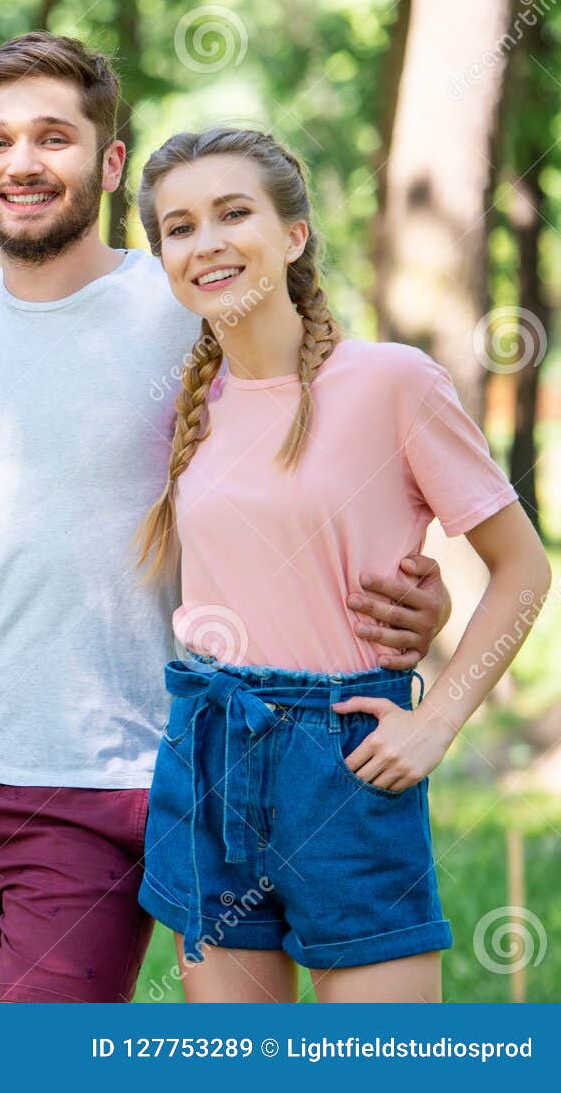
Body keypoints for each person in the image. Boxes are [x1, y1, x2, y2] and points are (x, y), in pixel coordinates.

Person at [0, 32, 453, 1002]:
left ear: (109, 164)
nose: (22, 163)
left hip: (109, 765)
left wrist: (408, 587)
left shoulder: (189, 294)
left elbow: (317, 433)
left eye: (52, 137)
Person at [131, 127, 550, 1001]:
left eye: (233, 213)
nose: (205, 242)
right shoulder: (186, 409)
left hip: (347, 758)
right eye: (178, 227)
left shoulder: (394, 383)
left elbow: (523, 568)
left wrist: (437, 723)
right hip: (211, 744)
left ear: (294, 234)